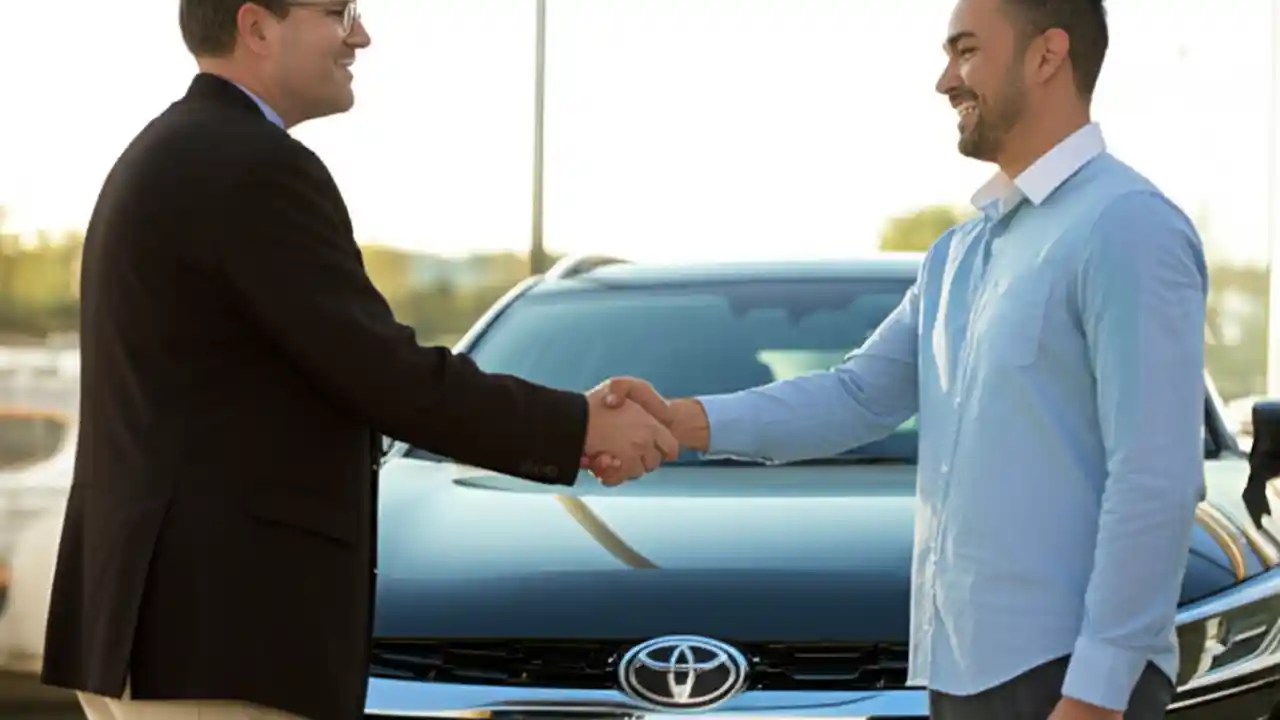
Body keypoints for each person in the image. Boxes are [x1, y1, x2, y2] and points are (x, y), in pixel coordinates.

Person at [39, 2, 677, 719]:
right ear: (257, 26)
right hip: (217, 641)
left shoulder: (169, 150)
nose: (360, 35)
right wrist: (576, 426)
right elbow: (381, 372)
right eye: (336, 11)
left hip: (156, 628)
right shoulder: (255, 167)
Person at [585, 0, 1206, 718]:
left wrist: (1098, 693)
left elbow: (1155, 477)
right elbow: (855, 397)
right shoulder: (959, 255)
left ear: (1047, 56)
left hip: (1069, 681)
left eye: (966, 50)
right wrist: (679, 421)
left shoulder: (1126, 225)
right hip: (965, 673)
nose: (946, 81)